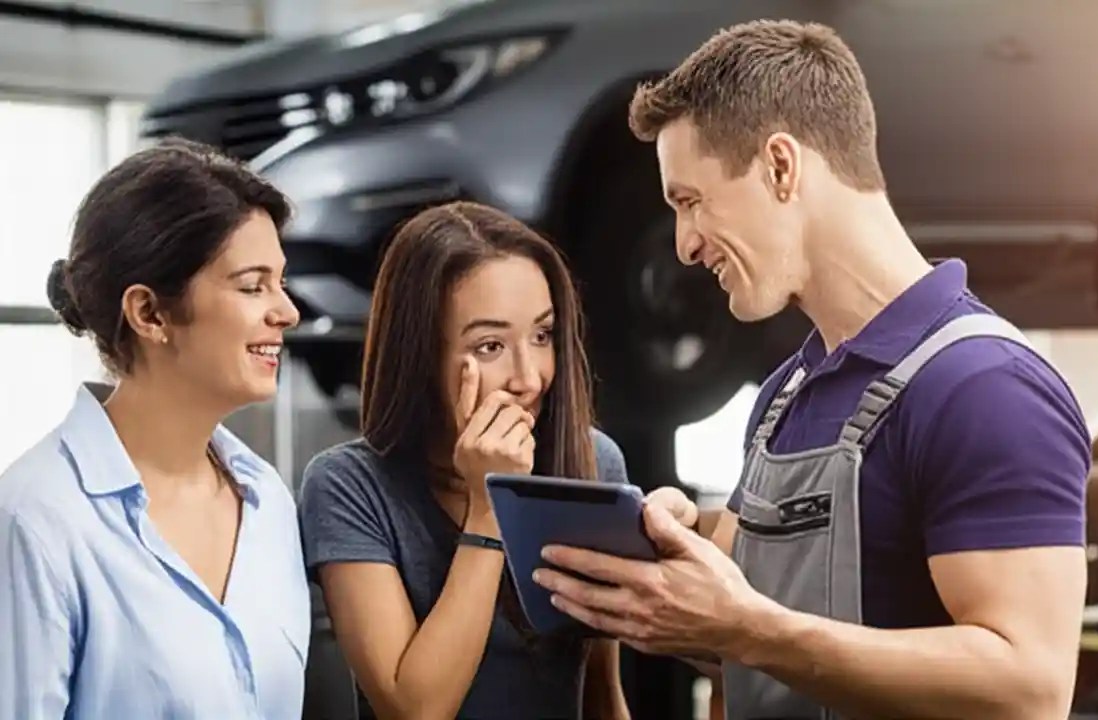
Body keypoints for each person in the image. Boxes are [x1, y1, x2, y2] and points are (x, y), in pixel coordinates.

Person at [532, 19, 1091, 720]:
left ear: (780, 167)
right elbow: (754, 627)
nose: (684, 245)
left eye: (691, 201)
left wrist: (748, 629)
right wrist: (670, 552)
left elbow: (1029, 688)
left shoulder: (985, 387)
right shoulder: (784, 397)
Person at [0, 137, 309, 719]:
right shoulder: (37, 520)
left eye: (281, 281)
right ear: (149, 313)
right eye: (252, 285)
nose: (287, 311)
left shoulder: (267, 499)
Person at [297, 201, 632, 720]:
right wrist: (490, 506)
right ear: (421, 355)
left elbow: (602, 697)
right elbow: (415, 709)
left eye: (542, 336)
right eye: (491, 345)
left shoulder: (589, 460)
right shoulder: (348, 485)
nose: (529, 377)